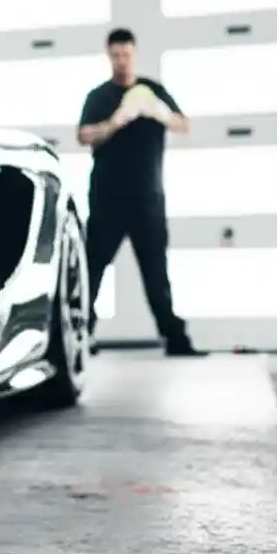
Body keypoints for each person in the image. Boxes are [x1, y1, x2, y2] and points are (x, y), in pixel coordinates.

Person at [77, 28, 205, 357]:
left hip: (148, 199)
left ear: (134, 54)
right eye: (116, 55)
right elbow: (84, 135)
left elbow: (182, 123)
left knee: (156, 272)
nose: (122, 60)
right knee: (93, 268)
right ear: (109, 56)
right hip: (107, 199)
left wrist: (154, 111)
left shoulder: (153, 91)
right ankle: (80, 336)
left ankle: (177, 340)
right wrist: (117, 121)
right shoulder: (99, 97)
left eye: (127, 54)